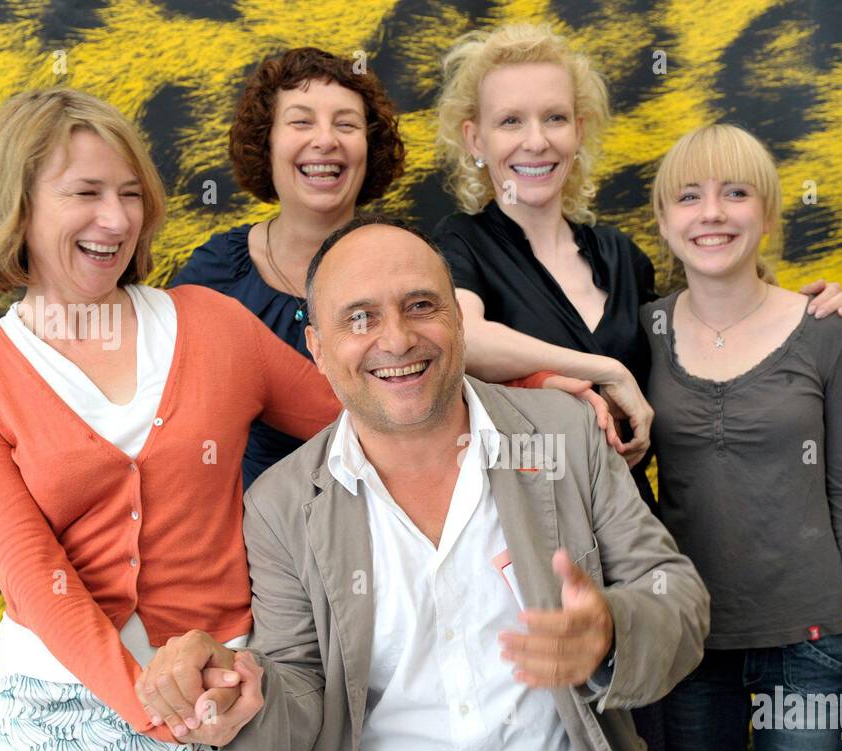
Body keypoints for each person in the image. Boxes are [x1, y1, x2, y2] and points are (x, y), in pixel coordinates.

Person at [135, 216, 713, 751]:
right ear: (317, 347)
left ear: (459, 321)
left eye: (420, 306)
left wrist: (612, 632)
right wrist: (237, 706)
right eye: (360, 318)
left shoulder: (564, 436)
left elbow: (676, 595)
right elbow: (297, 703)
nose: (398, 339)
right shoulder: (282, 502)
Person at [0, 88, 345, 751]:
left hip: (220, 704)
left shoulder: (214, 324)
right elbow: (30, 574)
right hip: (62, 723)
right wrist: (158, 707)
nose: (115, 221)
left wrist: (545, 385)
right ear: (16, 206)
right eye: (84, 193)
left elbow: (366, 412)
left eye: (128, 194)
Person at [431, 21, 842, 751]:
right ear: (475, 138)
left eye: (555, 118)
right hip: (525, 552)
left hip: (636, 556)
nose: (536, 140)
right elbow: (463, 339)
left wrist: (809, 314)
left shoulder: (620, 255)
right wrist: (598, 367)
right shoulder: (459, 243)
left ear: (581, 131)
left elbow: (712, 330)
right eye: (510, 121)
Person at [643, 123, 842, 751]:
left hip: (812, 645)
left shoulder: (828, 331)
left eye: (735, 193)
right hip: (690, 647)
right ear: (662, 221)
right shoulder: (643, 331)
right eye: (688, 196)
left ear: (768, 213)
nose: (711, 213)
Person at [174, 47, 613, 488]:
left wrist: (543, 384)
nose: (325, 140)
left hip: (403, 518)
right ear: (265, 141)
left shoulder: (412, 261)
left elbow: (463, 379)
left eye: (346, 124)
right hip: (266, 531)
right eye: (301, 121)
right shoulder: (217, 274)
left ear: (370, 146)